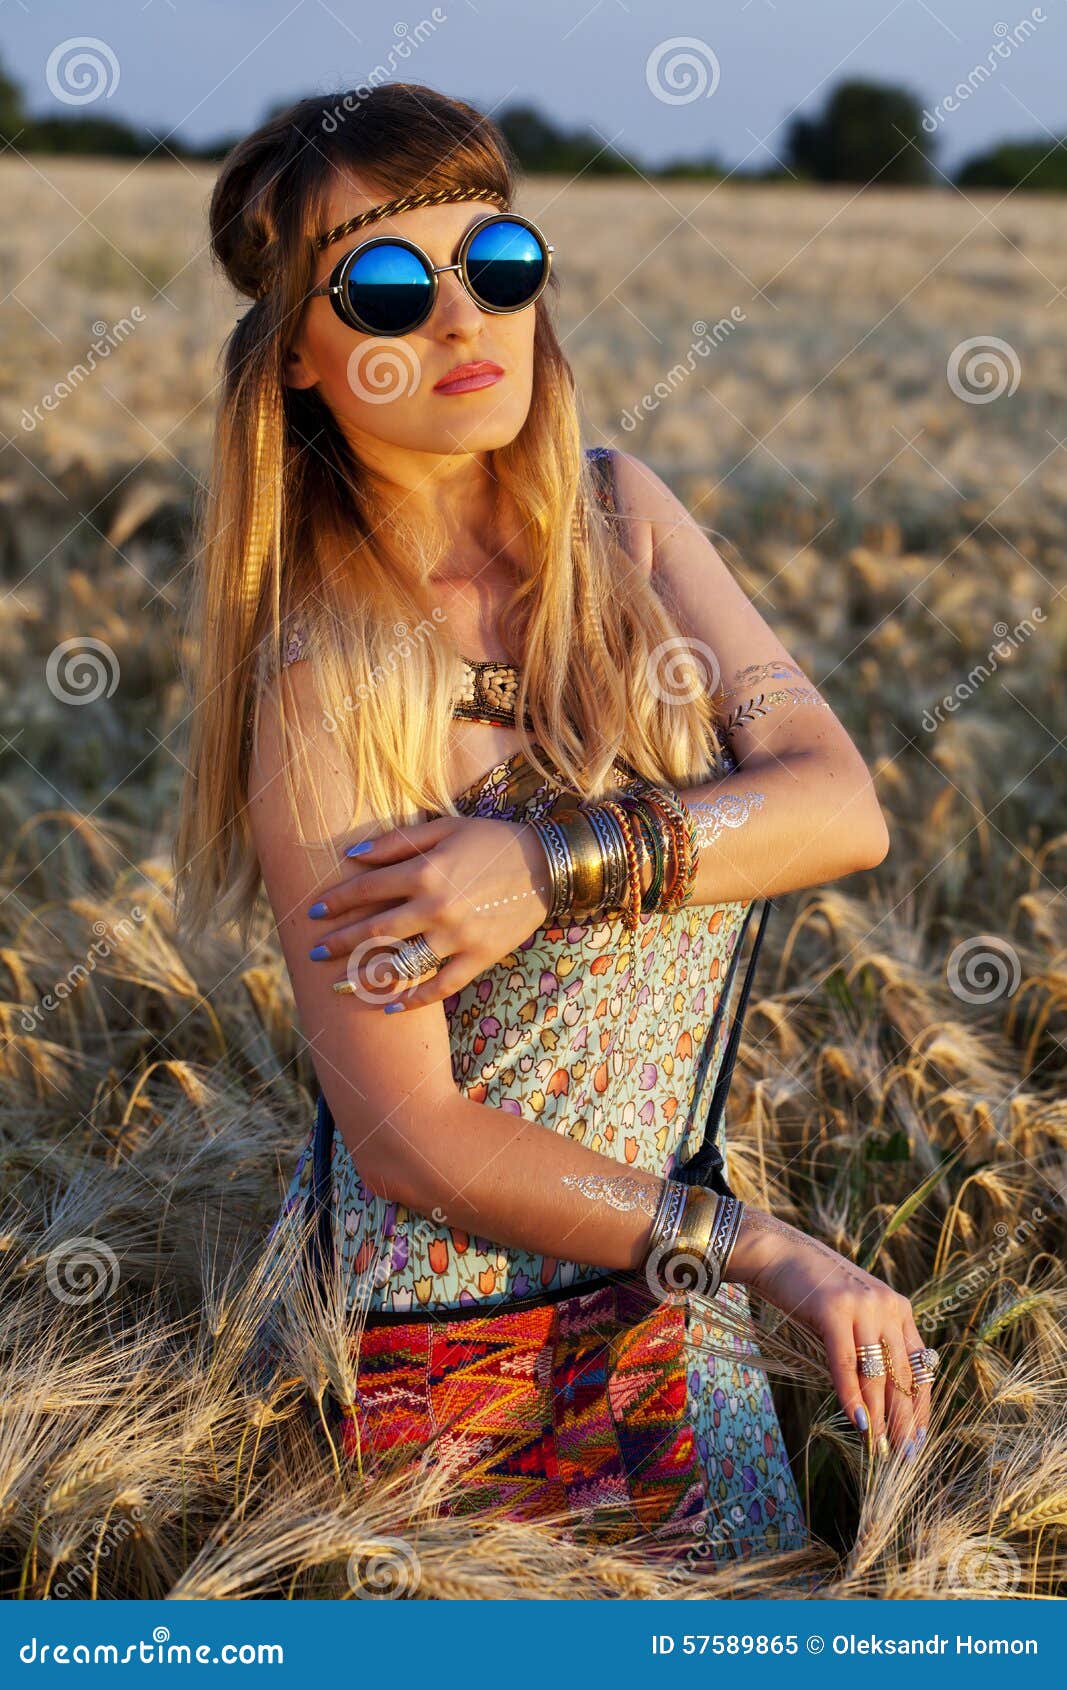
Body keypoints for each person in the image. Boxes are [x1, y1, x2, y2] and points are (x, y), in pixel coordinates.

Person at [174, 82, 932, 1566]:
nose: (464, 319)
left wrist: (543, 863)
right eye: (389, 290)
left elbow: (840, 805)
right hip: (455, 1353)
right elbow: (411, 1135)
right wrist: (764, 1251)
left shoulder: (624, 521)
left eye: (498, 262)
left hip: (672, 1298)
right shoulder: (324, 678)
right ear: (302, 361)